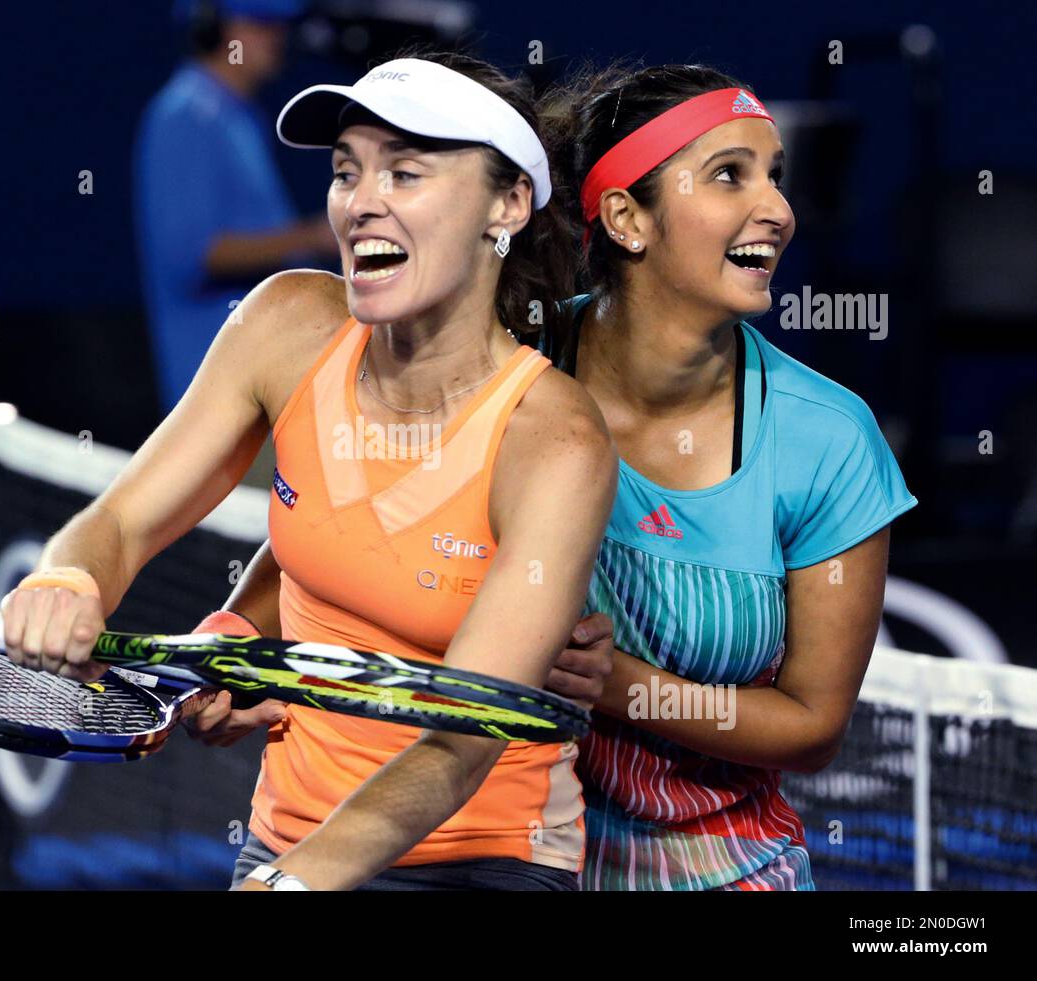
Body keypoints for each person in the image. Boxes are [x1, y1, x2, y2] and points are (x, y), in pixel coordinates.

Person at [190, 61, 918, 892]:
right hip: (491, 853)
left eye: (776, 178)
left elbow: (815, 724)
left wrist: (622, 688)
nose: (780, 211)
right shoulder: (504, 366)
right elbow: (345, 524)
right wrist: (245, 637)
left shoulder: (828, 440)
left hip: (725, 870)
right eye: (729, 176)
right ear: (625, 219)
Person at [7, 51, 616, 891]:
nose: (361, 202)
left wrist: (292, 885)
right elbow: (121, 521)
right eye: (345, 172)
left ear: (506, 204)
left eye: (405, 173)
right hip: (286, 839)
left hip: (483, 858)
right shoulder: (285, 326)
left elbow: (463, 739)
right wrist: (69, 575)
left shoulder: (555, 442)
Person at [134, 0, 339, 410]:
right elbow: (194, 254)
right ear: (212, 29)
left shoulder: (239, 117)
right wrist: (315, 236)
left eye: (279, 26)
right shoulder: (184, 113)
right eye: (260, 23)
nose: (277, 38)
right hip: (223, 400)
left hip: (272, 383)